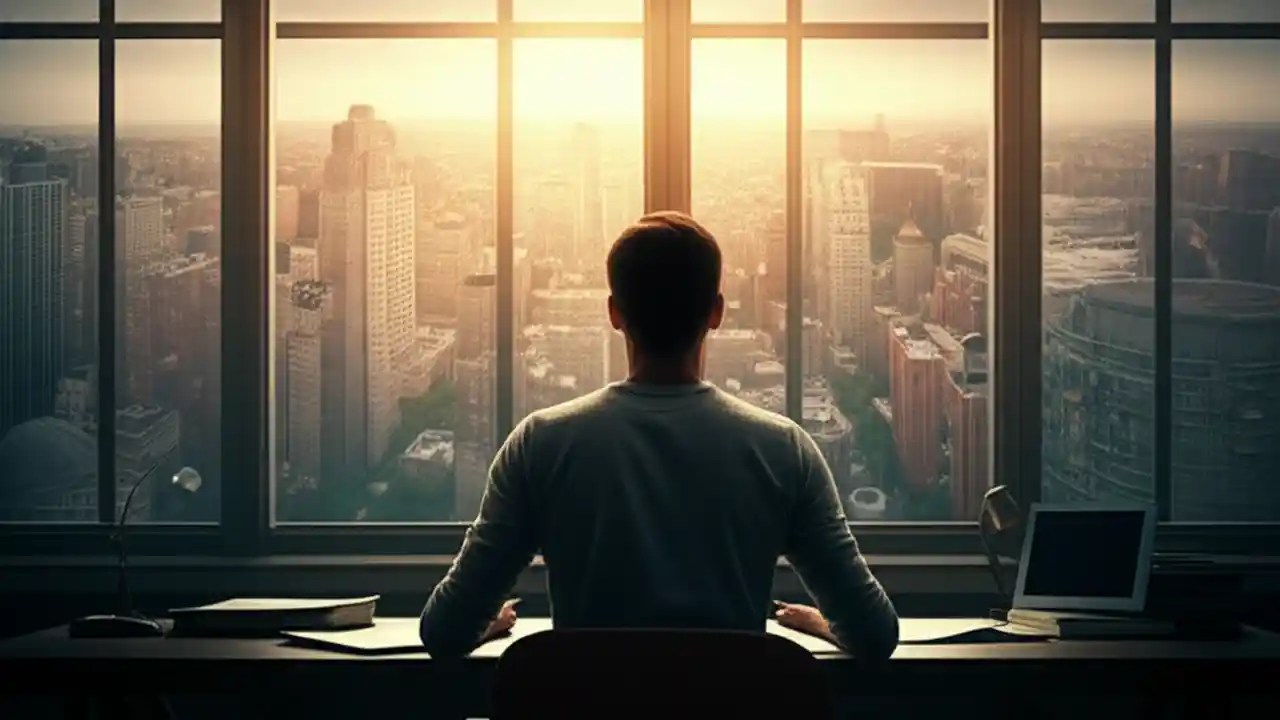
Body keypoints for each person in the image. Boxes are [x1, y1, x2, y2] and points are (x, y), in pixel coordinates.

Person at [419, 211, 899, 660]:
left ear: (614, 313)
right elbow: (874, 634)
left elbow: (444, 631)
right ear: (716, 313)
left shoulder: (539, 445)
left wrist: (485, 626)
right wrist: (822, 625)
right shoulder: (783, 450)